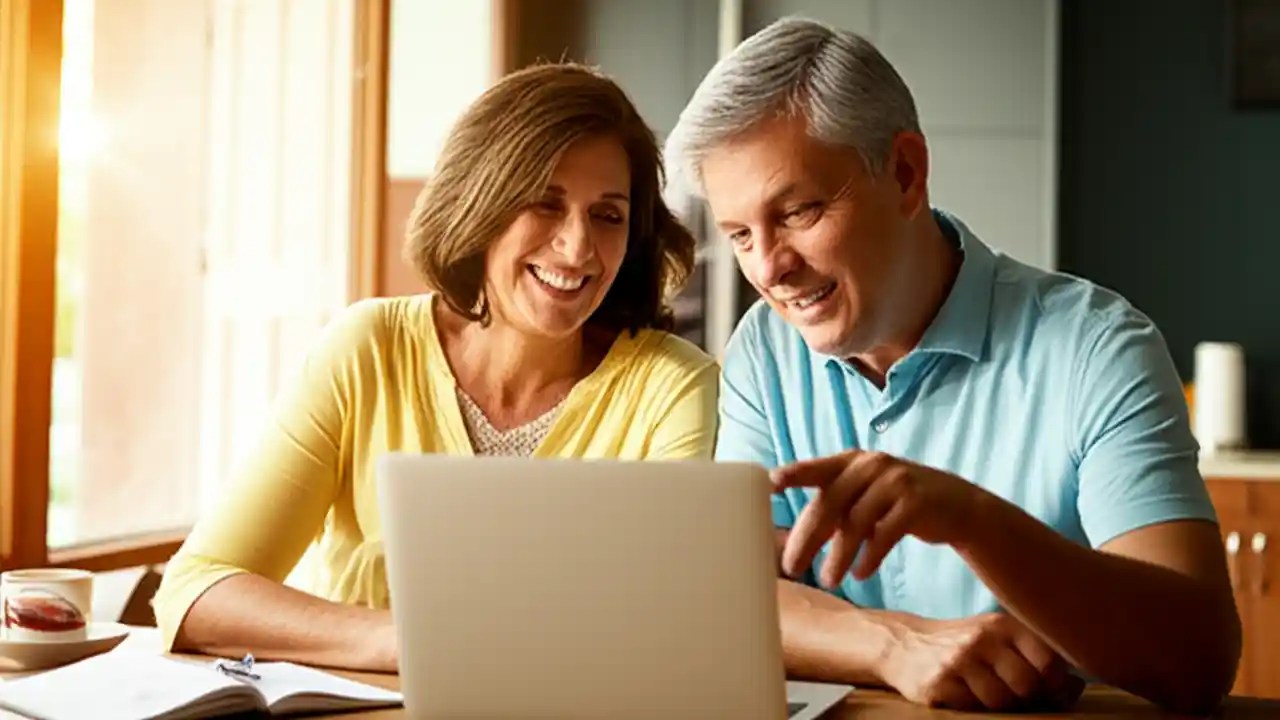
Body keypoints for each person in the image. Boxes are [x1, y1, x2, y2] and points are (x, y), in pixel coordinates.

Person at [664, 17, 1240, 714]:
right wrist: (894, 644)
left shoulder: (1097, 347)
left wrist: (972, 520)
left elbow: (1199, 657)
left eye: (799, 212)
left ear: (905, 173)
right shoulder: (765, 350)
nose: (770, 268)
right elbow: (735, 595)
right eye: (739, 236)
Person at [154, 63, 717, 672]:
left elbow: (664, 621)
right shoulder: (366, 350)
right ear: (482, 205)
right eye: (544, 204)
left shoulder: (672, 384)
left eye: (607, 215)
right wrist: (405, 642)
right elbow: (195, 593)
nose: (578, 247)